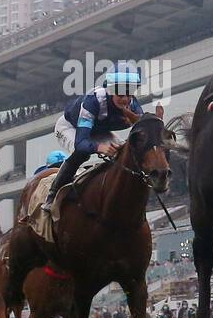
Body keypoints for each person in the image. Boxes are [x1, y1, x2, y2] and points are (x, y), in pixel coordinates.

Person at [44, 61, 145, 208]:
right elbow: (81, 143)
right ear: (110, 89)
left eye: (129, 93)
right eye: (120, 93)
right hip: (70, 128)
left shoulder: (134, 105)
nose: (125, 99)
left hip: (99, 131)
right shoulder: (94, 100)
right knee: (82, 153)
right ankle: (52, 194)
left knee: (123, 153)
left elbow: (142, 135)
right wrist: (99, 147)